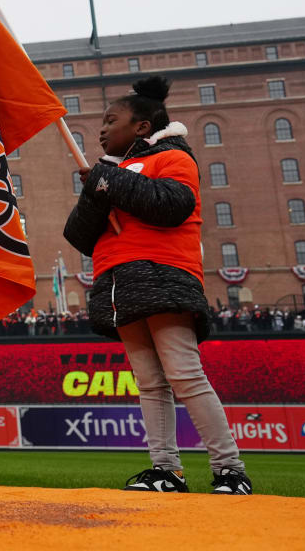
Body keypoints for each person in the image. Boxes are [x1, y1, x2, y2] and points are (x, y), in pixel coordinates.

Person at [64, 76, 251, 495]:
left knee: (185, 375)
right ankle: (166, 469)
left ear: (142, 127)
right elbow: (78, 235)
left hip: (162, 277)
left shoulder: (173, 158)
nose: (102, 129)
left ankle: (230, 470)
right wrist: (98, 187)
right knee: (148, 381)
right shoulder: (112, 172)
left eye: (111, 120)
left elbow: (171, 205)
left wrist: (106, 181)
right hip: (119, 283)